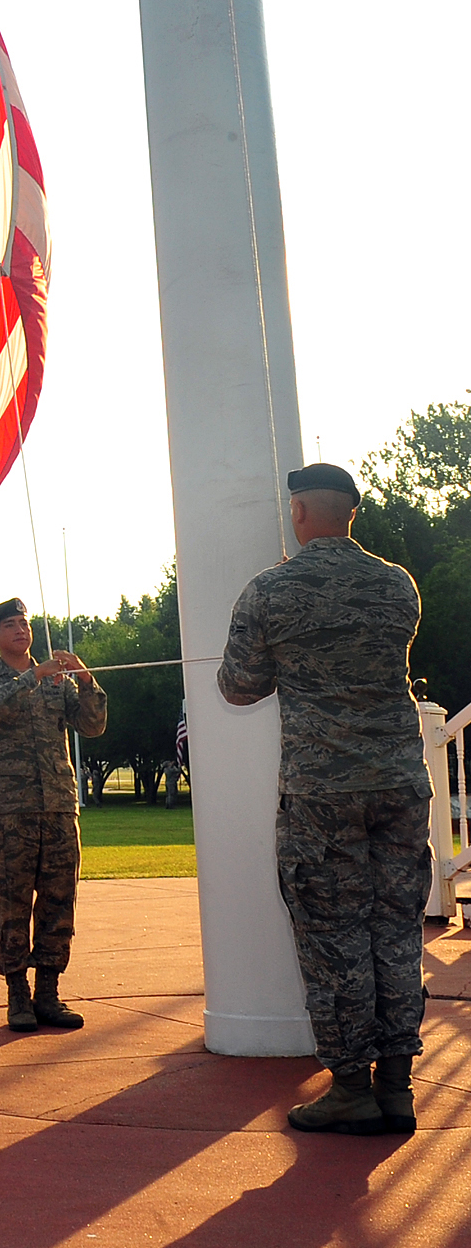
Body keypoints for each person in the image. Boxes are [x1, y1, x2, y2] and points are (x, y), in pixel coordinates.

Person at [218, 463, 432, 1138]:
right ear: (353, 514)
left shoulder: (272, 590)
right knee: (396, 932)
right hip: (400, 784)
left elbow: (238, 686)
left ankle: (349, 1089)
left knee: (335, 938)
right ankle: (397, 1087)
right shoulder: (399, 584)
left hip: (323, 795)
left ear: (301, 514)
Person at [0, 598, 107, 1032]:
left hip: (60, 807)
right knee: (12, 905)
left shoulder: (57, 683)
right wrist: (33, 676)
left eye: (24, 624)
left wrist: (85, 680)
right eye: (9, 625)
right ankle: (17, 995)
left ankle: (49, 993)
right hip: (12, 812)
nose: (21, 631)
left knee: (59, 902)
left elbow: (92, 725)